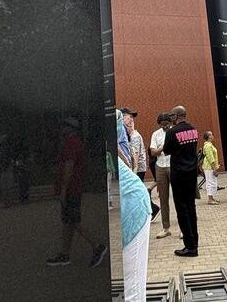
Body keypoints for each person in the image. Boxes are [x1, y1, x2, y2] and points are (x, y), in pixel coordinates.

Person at [46, 117, 108, 267]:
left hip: (71, 189)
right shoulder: (75, 142)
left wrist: (63, 189)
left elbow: (69, 166)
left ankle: (97, 246)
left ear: (69, 128)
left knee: (73, 221)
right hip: (74, 188)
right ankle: (64, 254)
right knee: (68, 222)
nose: (62, 129)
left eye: (64, 126)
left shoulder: (71, 143)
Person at [113, 110, 152, 301]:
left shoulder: (132, 135)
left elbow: (132, 158)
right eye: (127, 118)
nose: (129, 121)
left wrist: (134, 168)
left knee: (133, 288)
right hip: (130, 195)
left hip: (134, 205)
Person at [163, 106, 200, 257]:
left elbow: (166, 150)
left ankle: (189, 247)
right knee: (191, 207)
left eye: (172, 115)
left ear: (177, 116)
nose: (170, 117)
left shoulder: (172, 132)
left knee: (181, 209)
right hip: (191, 173)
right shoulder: (193, 129)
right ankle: (195, 242)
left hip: (178, 174)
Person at [149, 112, 174, 239]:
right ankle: (166, 228)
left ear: (170, 122)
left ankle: (183, 228)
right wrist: (165, 147)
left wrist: (160, 149)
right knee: (163, 199)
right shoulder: (156, 134)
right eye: (162, 124)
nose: (165, 126)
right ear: (159, 124)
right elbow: (153, 152)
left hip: (173, 165)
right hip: (160, 167)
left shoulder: (174, 132)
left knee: (178, 198)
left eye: (167, 124)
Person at [200, 132, 220, 205]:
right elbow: (210, 158)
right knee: (210, 182)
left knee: (212, 181)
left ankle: (212, 198)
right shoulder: (208, 146)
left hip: (210, 166)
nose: (212, 135)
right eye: (211, 134)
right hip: (209, 167)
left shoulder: (209, 145)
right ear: (208, 137)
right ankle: (210, 199)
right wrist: (214, 168)